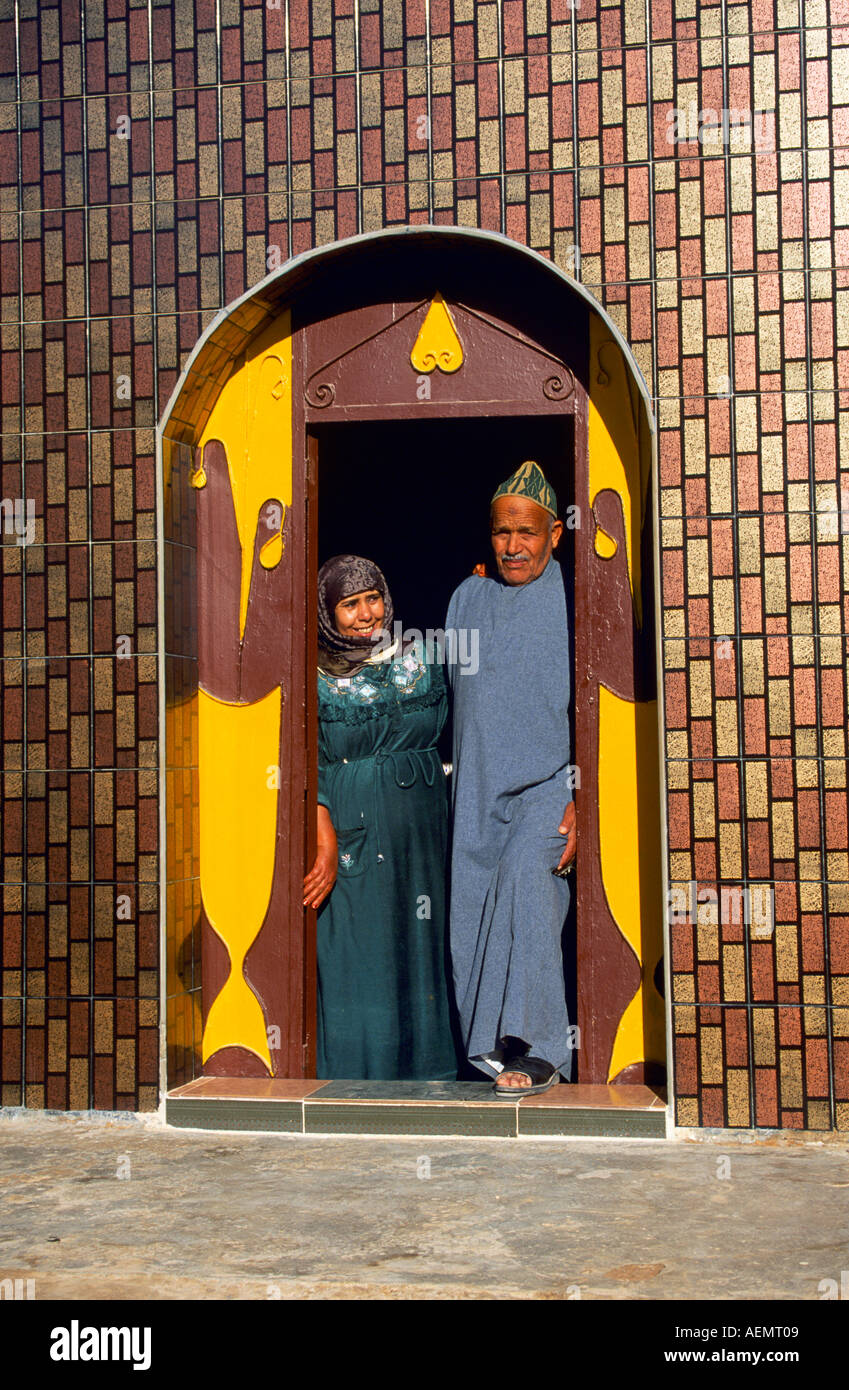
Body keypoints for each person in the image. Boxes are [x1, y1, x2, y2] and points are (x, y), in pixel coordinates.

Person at [445, 461, 577, 1097]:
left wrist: (586, 796)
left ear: (556, 533)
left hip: (550, 785)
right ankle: (495, 1047)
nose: (513, 546)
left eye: (527, 532)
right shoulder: (467, 596)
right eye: (502, 532)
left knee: (529, 878)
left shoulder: (575, 597)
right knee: (471, 905)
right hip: (475, 789)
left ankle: (541, 1048)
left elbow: (602, 703)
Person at [303, 554, 458, 1081]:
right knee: (360, 955)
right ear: (328, 612)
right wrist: (323, 834)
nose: (366, 613)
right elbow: (308, 762)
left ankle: (427, 1081)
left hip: (423, 834)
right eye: (349, 605)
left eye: (372, 598)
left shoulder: (428, 655)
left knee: (420, 950)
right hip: (354, 835)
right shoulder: (313, 673)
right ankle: (356, 1085)